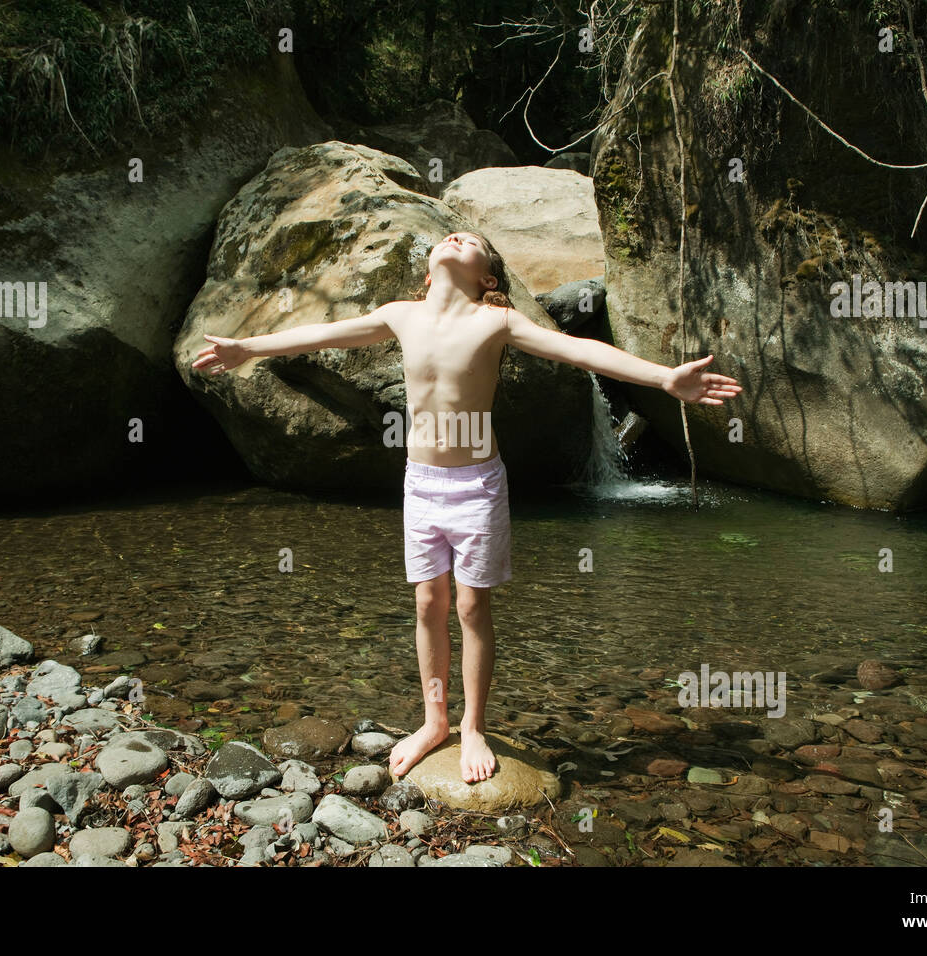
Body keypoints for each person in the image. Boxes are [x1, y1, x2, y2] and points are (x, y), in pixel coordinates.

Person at [192, 230, 743, 784]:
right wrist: (250, 348)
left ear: (488, 280)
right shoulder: (401, 315)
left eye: (471, 240)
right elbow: (320, 335)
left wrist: (664, 378)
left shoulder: (496, 321)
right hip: (421, 482)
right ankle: (434, 722)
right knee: (428, 603)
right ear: (428, 275)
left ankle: (473, 726)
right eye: (448, 238)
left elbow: (582, 351)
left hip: (477, 485)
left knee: (471, 608)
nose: (455, 237)